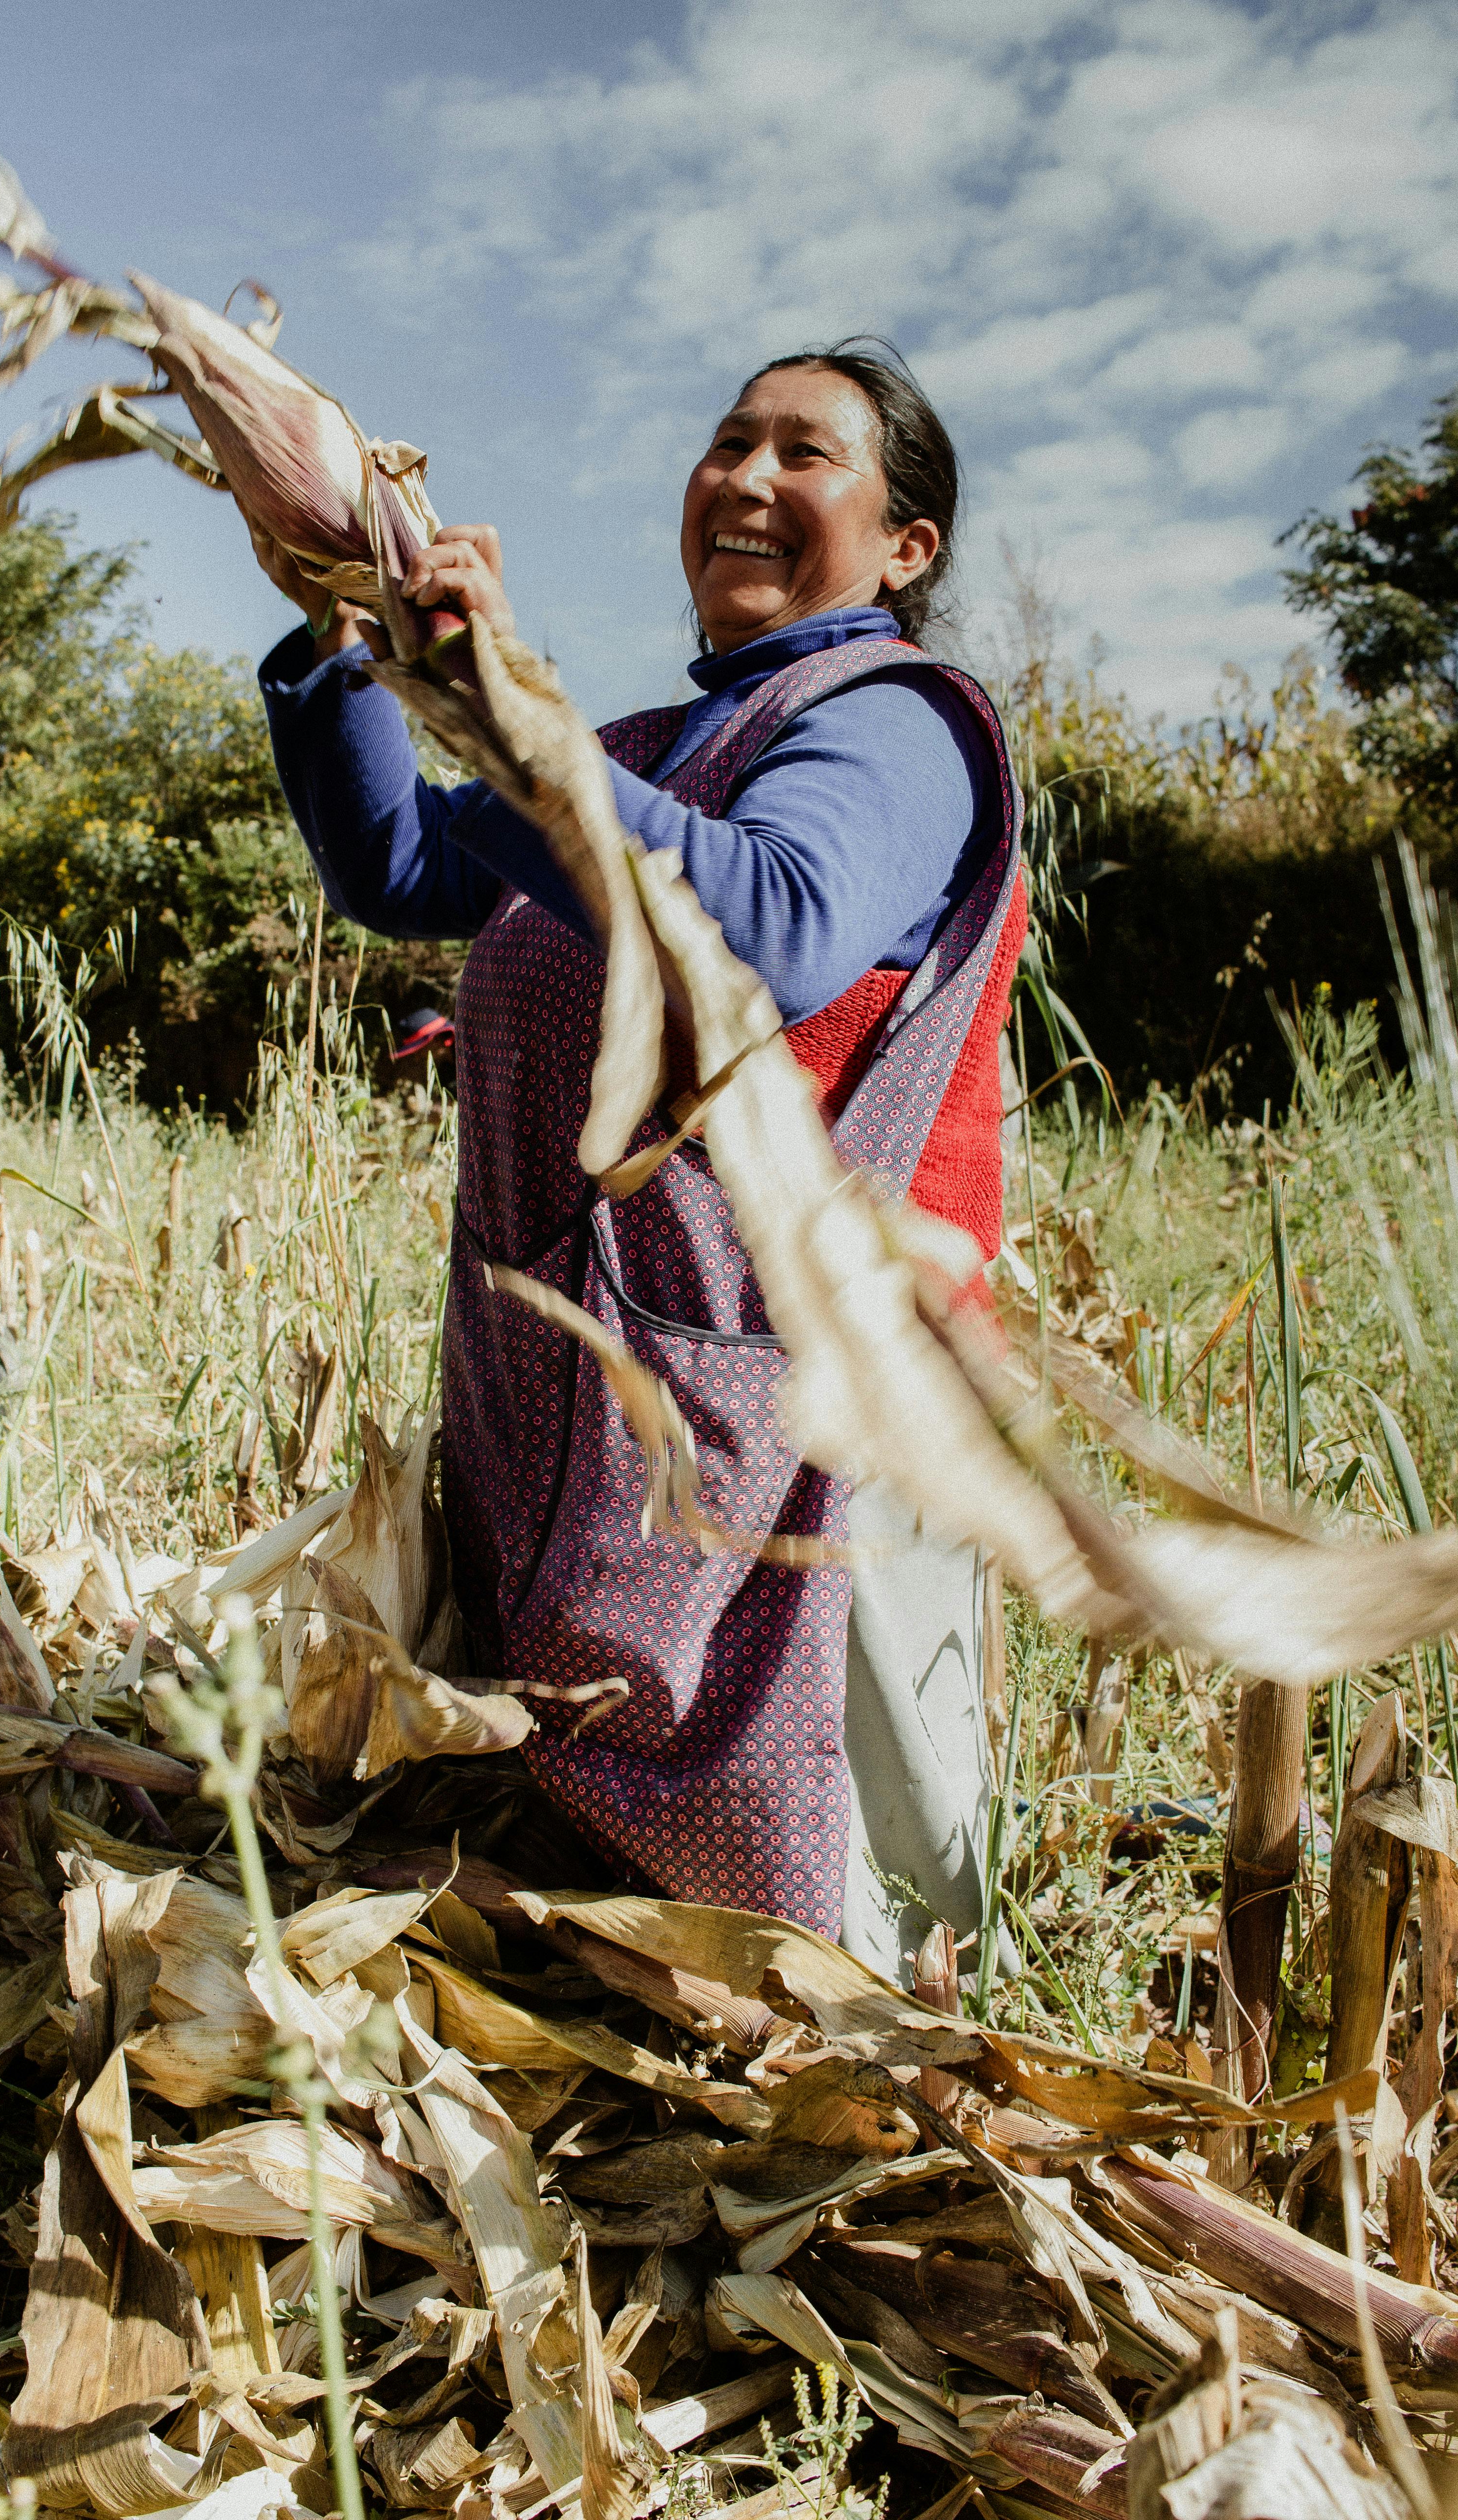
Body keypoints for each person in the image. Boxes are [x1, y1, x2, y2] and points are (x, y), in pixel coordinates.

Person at [253, 341, 1025, 1970]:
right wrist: (349, 629)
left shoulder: (895, 727)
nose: (745, 477)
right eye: (729, 440)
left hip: (807, 1420)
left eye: (805, 454)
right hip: (608, 1378)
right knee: (601, 1880)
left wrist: (517, 722)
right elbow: (397, 862)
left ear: (906, 547)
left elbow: (779, 927)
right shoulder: (665, 742)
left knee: (827, 1907)